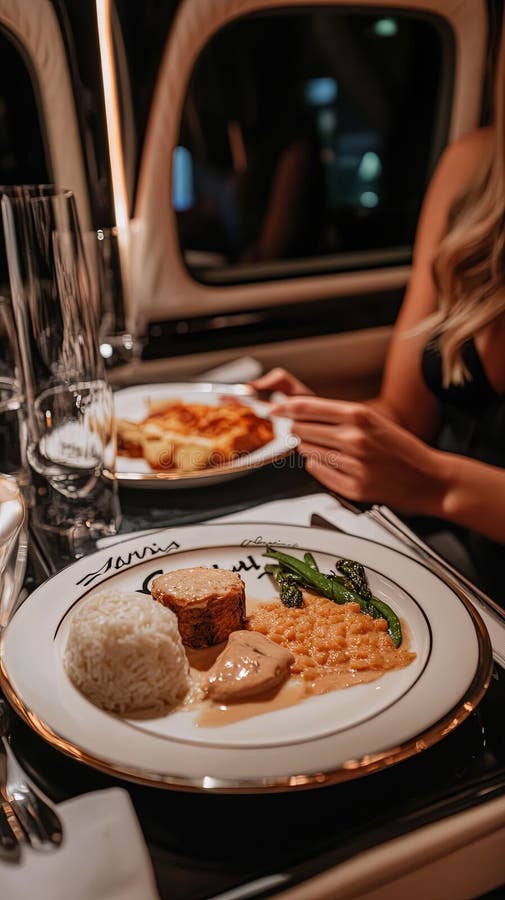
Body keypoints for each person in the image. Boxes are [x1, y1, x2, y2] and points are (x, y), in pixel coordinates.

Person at [251, 41, 505, 606]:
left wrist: (439, 485)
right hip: (448, 552)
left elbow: (430, 475)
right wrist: (314, 422)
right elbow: (405, 416)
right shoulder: (471, 170)